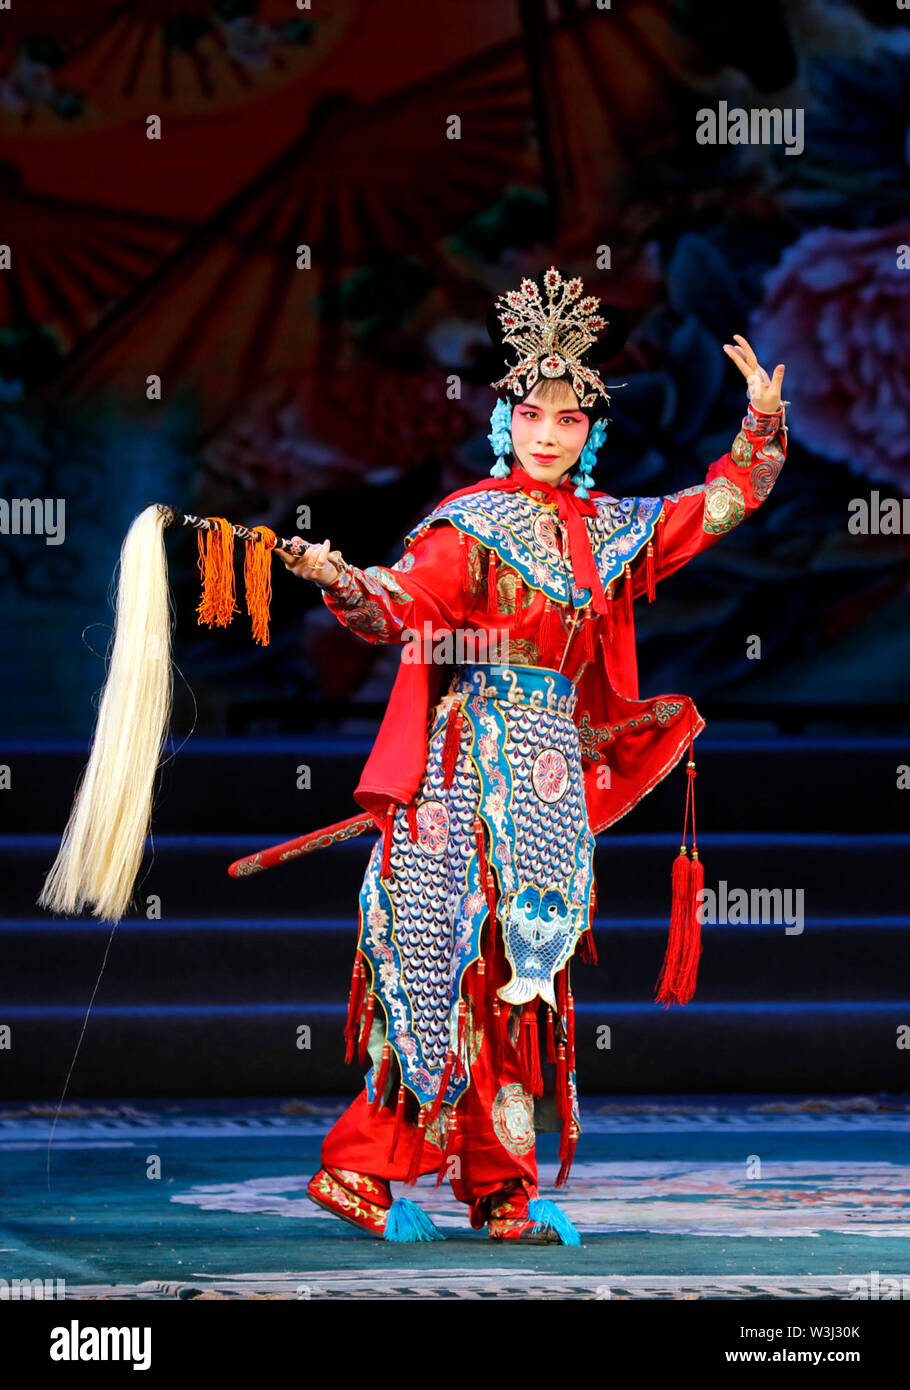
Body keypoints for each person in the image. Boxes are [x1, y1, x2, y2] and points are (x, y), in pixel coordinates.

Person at [275, 267, 788, 1244]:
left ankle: (499, 1188)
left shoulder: (611, 528)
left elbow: (717, 506)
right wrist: (341, 577)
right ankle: (361, 1169)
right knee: (443, 963)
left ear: (591, 434)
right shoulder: (469, 523)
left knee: (525, 971)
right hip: (460, 768)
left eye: (568, 420)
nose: (548, 434)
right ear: (504, 419)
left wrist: (759, 425)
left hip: (546, 770)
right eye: (532, 414)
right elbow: (399, 608)